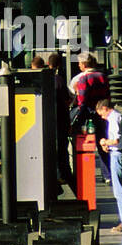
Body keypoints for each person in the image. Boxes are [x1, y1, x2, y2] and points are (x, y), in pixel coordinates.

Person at [95, 98, 122, 232]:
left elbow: (116, 140)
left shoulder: (113, 119)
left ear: (105, 109)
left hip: (118, 155)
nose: (102, 117)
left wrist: (104, 142)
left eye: (101, 114)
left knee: (119, 190)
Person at [69, 53, 111, 181]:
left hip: (87, 115)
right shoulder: (103, 76)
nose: (79, 65)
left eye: (80, 63)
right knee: (102, 143)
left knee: (84, 145)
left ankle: (84, 174)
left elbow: (82, 101)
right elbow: (108, 96)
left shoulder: (83, 79)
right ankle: (107, 175)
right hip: (102, 114)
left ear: (84, 64)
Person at [46, 52, 75, 189]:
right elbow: (67, 100)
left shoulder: (45, 80)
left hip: (49, 123)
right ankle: (63, 176)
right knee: (62, 151)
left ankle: (58, 176)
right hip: (61, 122)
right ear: (59, 65)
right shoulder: (59, 80)